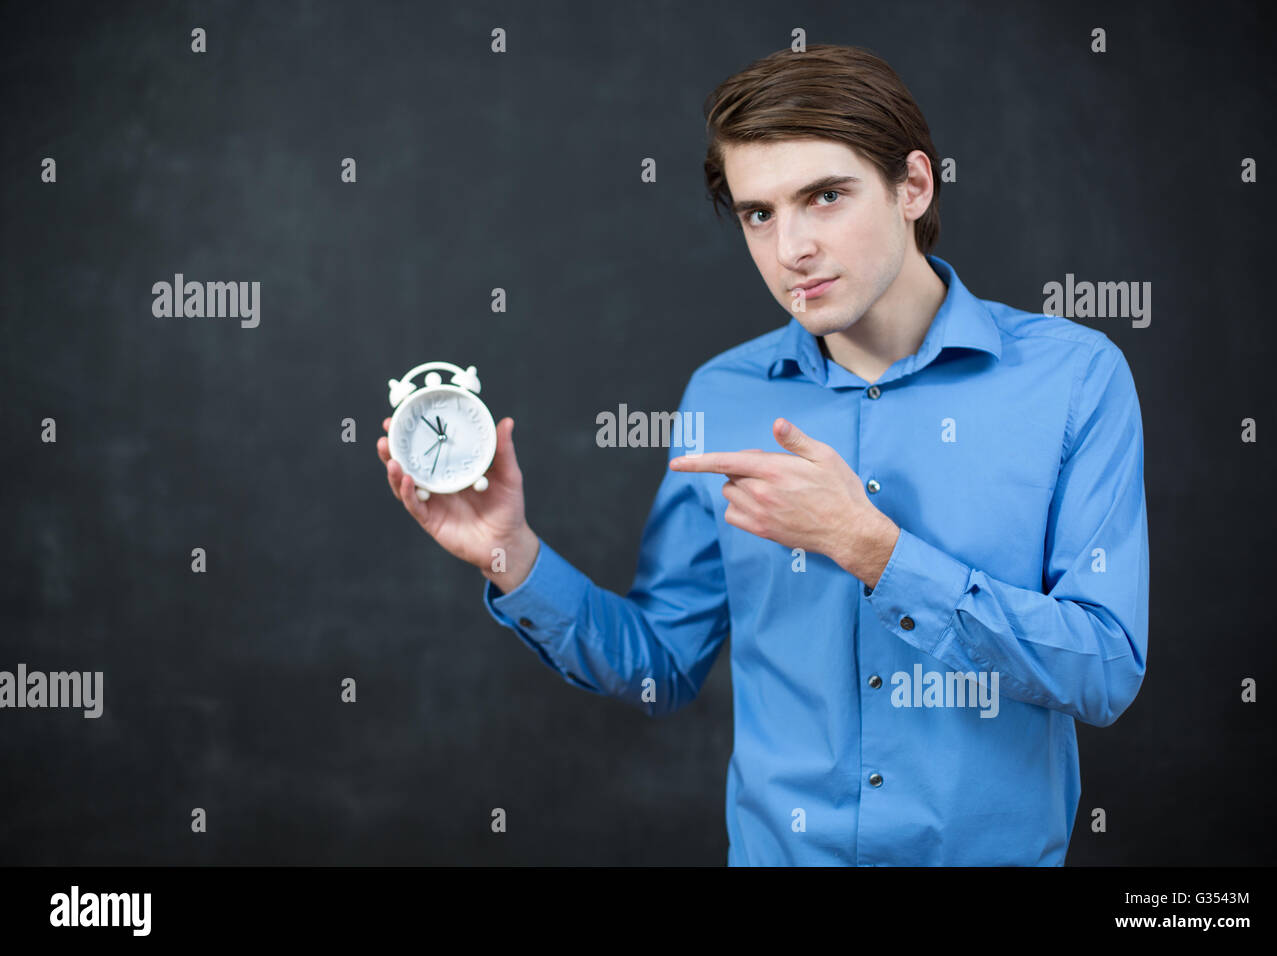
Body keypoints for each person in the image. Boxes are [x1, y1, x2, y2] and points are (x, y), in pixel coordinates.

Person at [377, 43, 1148, 866]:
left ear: (912, 187)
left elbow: (1102, 669)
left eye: (825, 196)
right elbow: (663, 664)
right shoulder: (724, 394)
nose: (791, 251)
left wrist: (870, 549)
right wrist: (510, 552)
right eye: (759, 214)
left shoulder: (1073, 378)